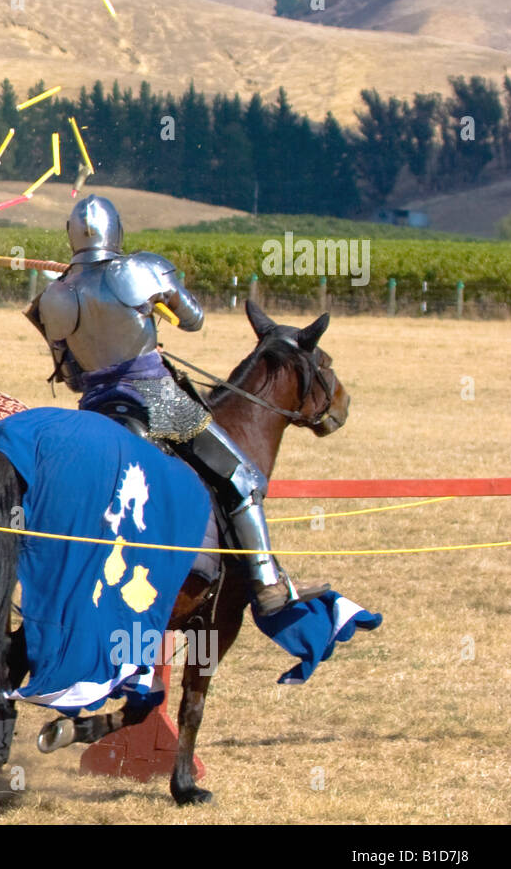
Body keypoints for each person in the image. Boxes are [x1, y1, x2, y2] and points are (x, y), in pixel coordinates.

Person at [32, 195, 324, 615]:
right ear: (116, 230)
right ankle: (267, 586)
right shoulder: (137, 270)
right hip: (156, 396)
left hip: (96, 405)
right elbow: (193, 319)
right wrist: (151, 301)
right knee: (242, 477)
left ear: (71, 235)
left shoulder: (56, 294)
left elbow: (70, 376)